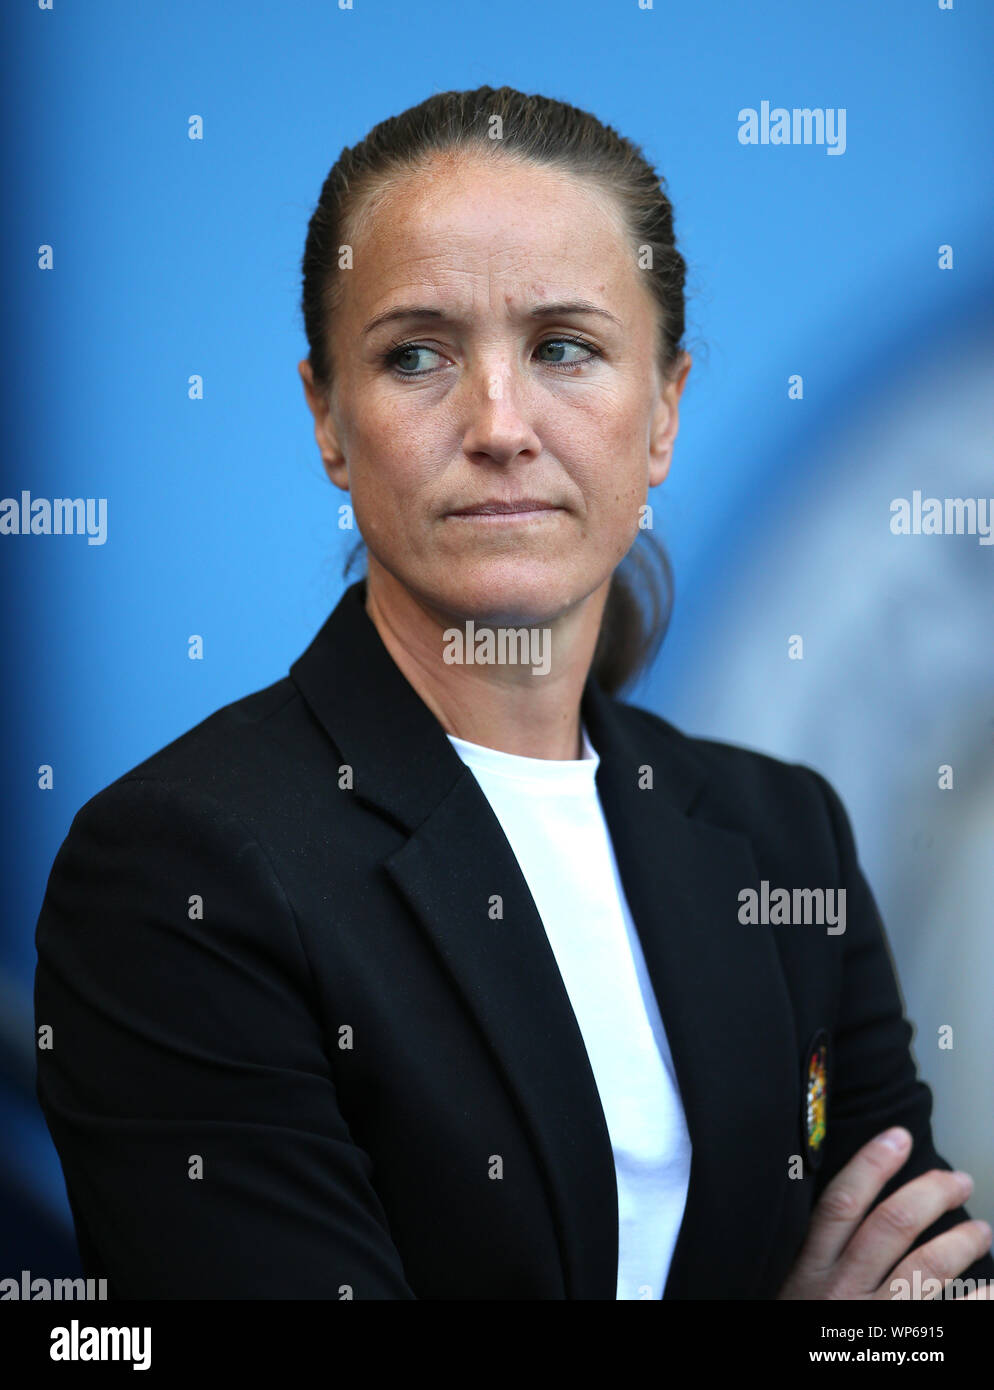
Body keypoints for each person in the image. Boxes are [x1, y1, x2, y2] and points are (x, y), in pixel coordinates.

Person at [34, 85, 993, 1300]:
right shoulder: (180, 868)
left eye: (564, 349)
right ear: (328, 416)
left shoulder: (779, 832)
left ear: (663, 411)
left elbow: (931, 1293)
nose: (498, 423)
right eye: (417, 355)